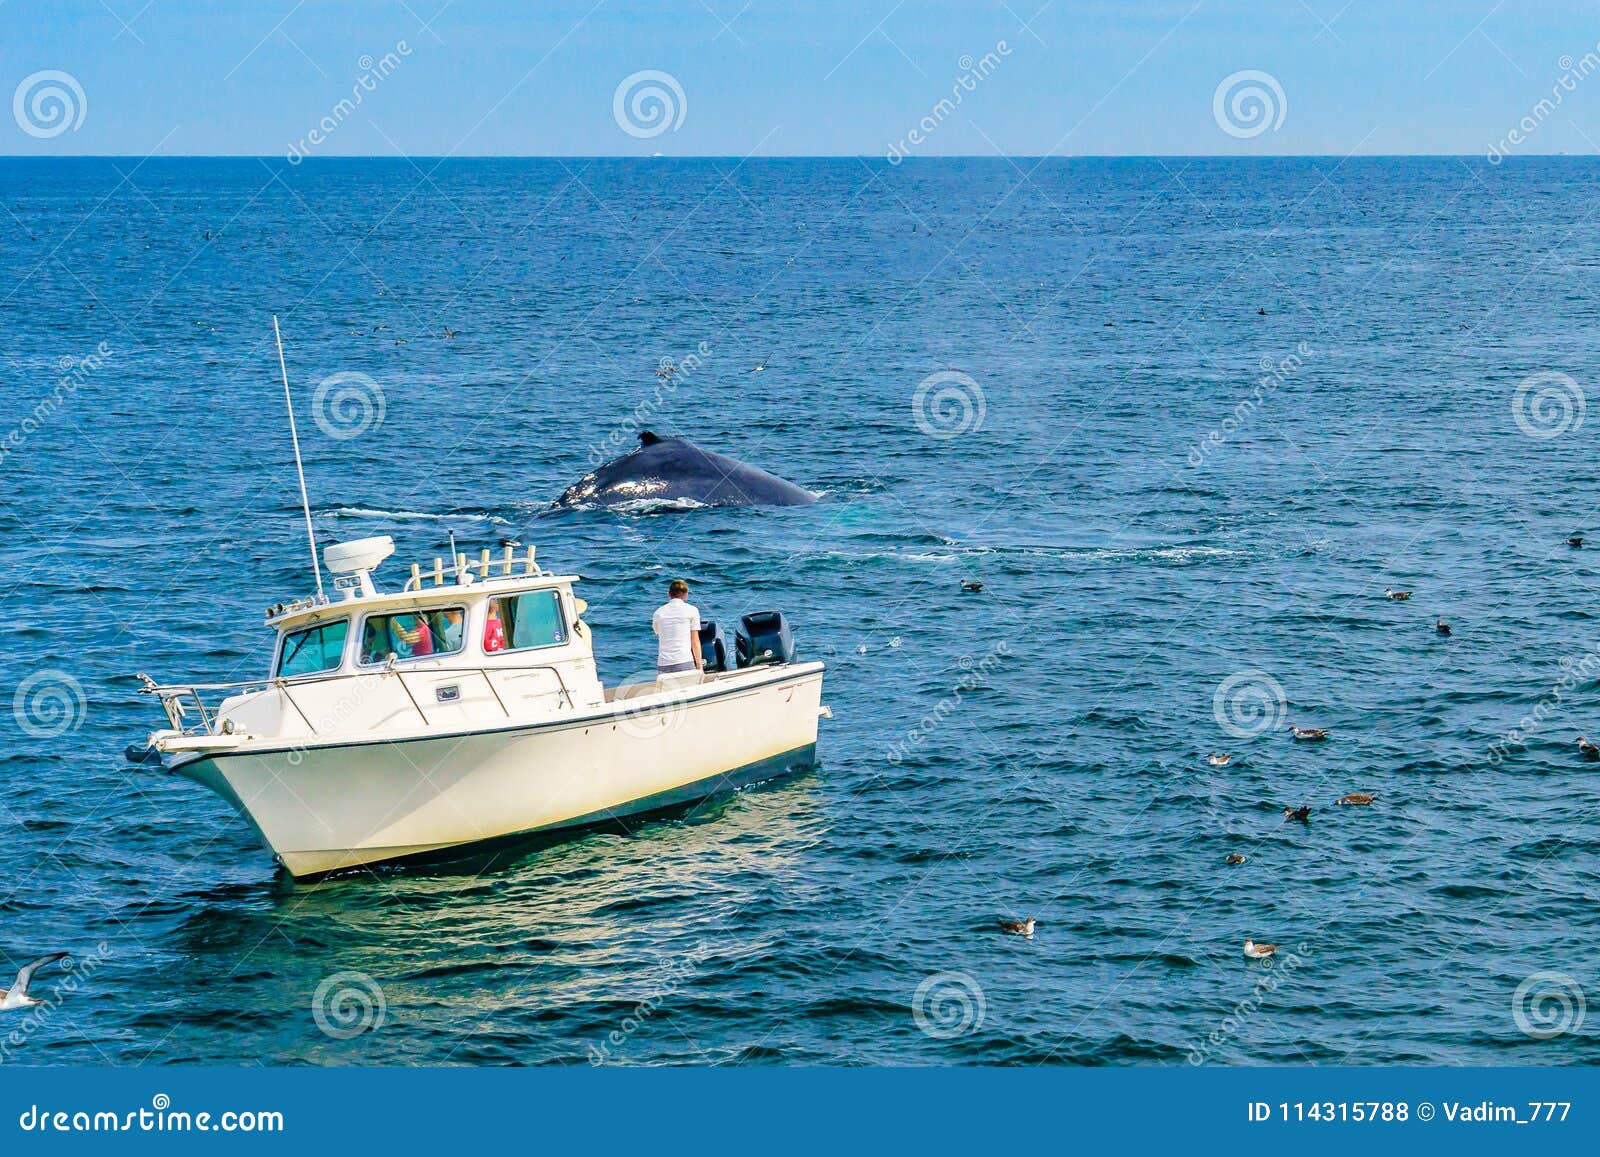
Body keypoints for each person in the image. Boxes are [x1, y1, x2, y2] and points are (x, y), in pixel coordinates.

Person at [652, 579, 702, 674]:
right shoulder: (692, 610)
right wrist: (699, 666)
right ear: (686, 594)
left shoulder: (658, 613)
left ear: (669, 594)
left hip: (664, 663)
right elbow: (695, 640)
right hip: (684, 660)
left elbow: (658, 632)